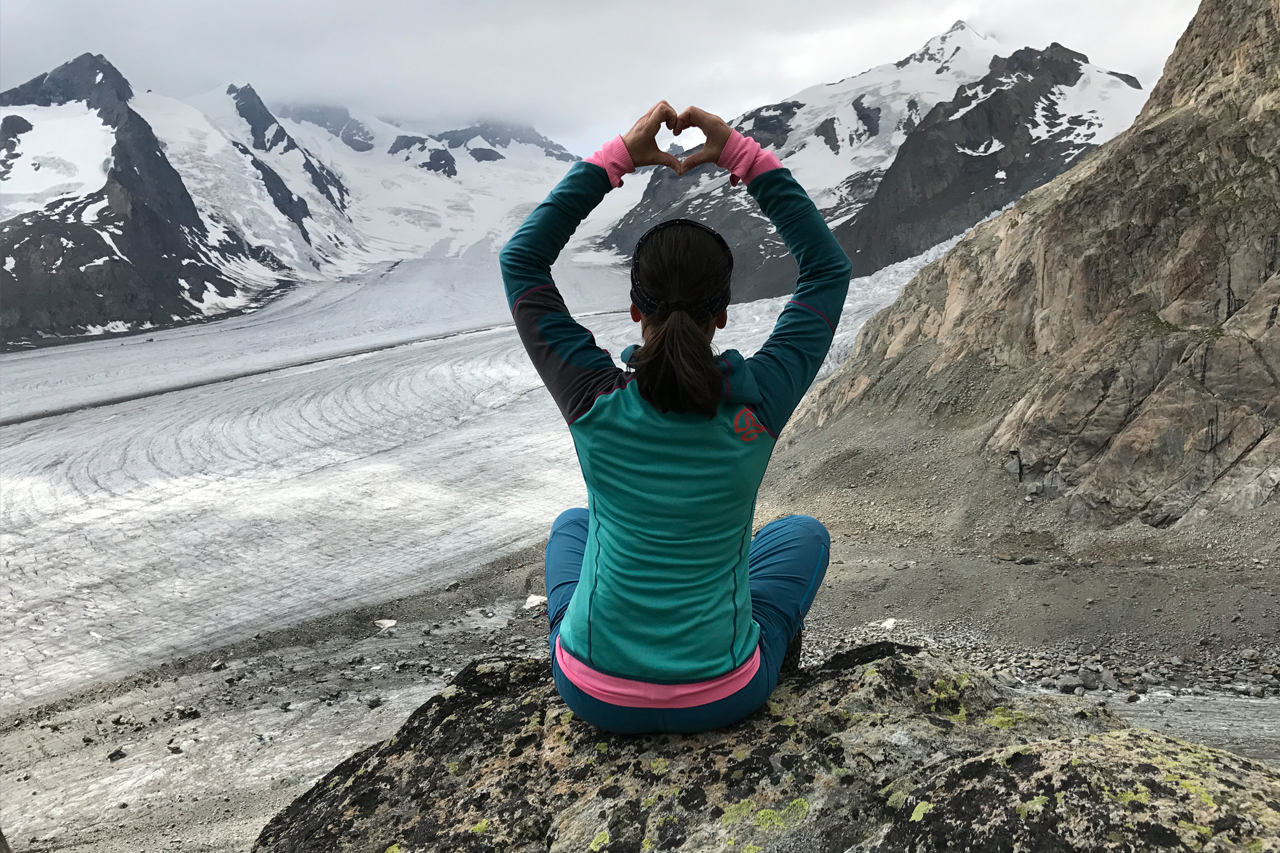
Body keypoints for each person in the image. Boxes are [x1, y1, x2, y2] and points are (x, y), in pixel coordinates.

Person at [499, 101, 852, 734]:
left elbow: (521, 261)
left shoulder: (593, 398)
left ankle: (592, 634)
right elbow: (827, 271)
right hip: (723, 692)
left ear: (636, 309)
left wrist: (616, 160)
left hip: (591, 689)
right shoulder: (758, 400)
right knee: (802, 535)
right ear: (723, 313)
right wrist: (743, 155)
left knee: (573, 528)